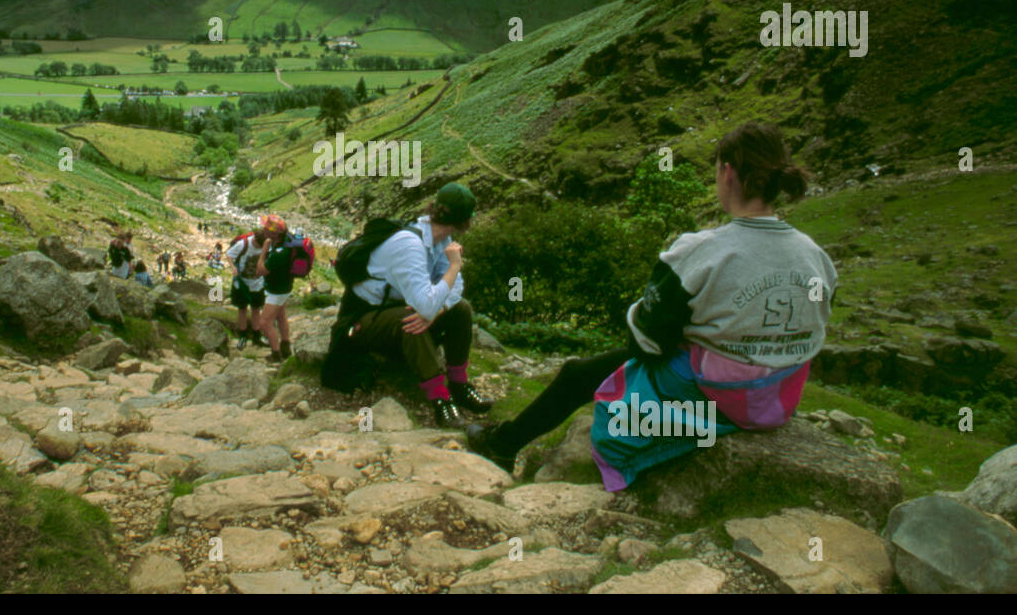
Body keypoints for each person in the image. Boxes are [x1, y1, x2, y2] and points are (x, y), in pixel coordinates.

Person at [468, 122, 838, 486]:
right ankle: (505, 440)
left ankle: (502, 444)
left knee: (577, 375)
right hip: (776, 399)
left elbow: (647, 341)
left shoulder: (702, 250)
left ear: (727, 173)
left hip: (719, 396)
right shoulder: (815, 256)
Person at [327, 182, 492, 429]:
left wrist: (438, 310)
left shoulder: (439, 240)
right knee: (410, 320)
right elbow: (429, 301)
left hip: (389, 309)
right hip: (362, 318)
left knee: (461, 309)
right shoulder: (410, 245)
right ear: (463, 221)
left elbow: (455, 288)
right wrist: (454, 267)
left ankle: (459, 384)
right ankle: (440, 400)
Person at [256, 218, 296, 363]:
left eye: (267, 228)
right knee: (280, 316)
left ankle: (276, 353)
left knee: (264, 323)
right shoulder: (285, 242)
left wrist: (264, 251)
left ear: (275, 233)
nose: (264, 230)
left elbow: (260, 270)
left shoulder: (280, 252)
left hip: (277, 291)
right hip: (284, 287)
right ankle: (286, 346)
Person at [226, 222, 270, 349]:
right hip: (241, 282)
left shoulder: (266, 245)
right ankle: (242, 336)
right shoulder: (243, 244)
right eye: (257, 245)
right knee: (242, 309)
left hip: (258, 282)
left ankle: (256, 336)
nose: (258, 247)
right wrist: (233, 267)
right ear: (255, 239)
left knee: (256, 309)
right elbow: (229, 255)